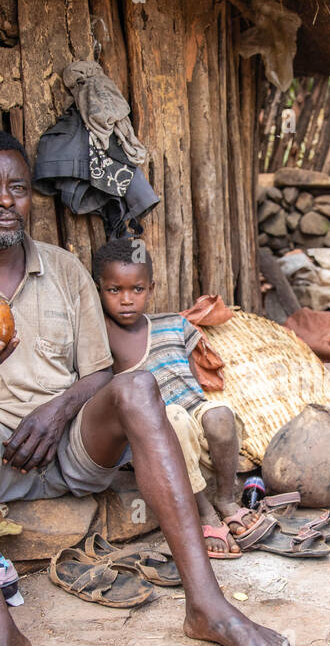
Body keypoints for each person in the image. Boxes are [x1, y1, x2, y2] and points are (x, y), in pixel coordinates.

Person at [0, 129, 292, 646]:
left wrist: (57, 412)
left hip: (71, 445)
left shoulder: (67, 270)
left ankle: (208, 606)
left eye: (18, 189)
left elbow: (100, 369)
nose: (5, 202)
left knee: (135, 385)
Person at [93, 239, 266, 559]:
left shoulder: (174, 324)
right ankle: (203, 514)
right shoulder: (102, 335)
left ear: (152, 288)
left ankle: (226, 498)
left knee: (219, 412)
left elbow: (192, 378)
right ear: (99, 290)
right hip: (154, 438)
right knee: (173, 417)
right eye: (114, 290)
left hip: (195, 426)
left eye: (138, 289)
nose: (127, 300)